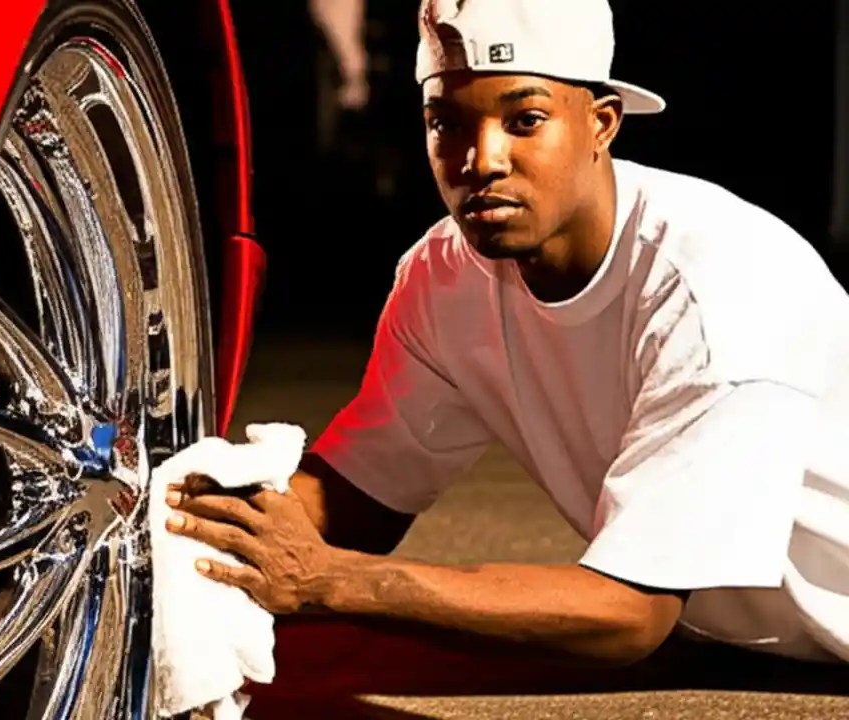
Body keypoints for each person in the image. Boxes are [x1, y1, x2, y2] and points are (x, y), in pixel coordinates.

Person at [163, 0, 849, 703]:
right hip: (743, 647)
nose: (479, 161)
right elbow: (358, 494)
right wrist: (184, 522)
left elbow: (629, 615)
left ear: (601, 124)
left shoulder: (717, 283)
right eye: (446, 123)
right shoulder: (444, 273)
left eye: (525, 121)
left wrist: (331, 581)